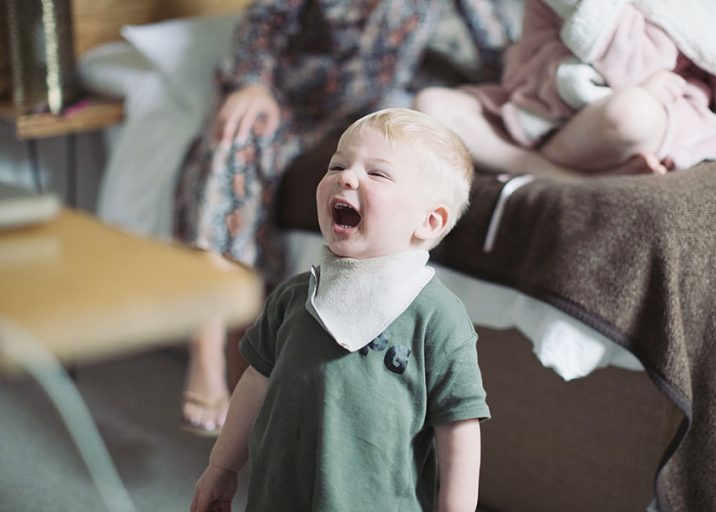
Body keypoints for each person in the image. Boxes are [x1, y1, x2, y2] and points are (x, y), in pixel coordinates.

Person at [174, 0, 514, 436]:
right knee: (235, 141)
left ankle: (251, 356)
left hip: (367, 113)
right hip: (287, 99)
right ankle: (206, 345)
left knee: (411, 142)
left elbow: (499, 47)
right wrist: (252, 84)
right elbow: (266, 21)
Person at [189, 108, 489, 511]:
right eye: (338, 165)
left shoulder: (437, 319)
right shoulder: (294, 297)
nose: (346, 177)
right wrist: (222, 466)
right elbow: (254, 386)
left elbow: (460, 431)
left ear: (430, 221)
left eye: (378, 174)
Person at [414, 0, 716, 180]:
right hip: (541, 111)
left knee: (632, 114)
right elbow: (525, 65)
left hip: (642, 106)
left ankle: (550, 167)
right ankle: (552, 174)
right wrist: (565, 80)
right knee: (431, 106)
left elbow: (645, 66)